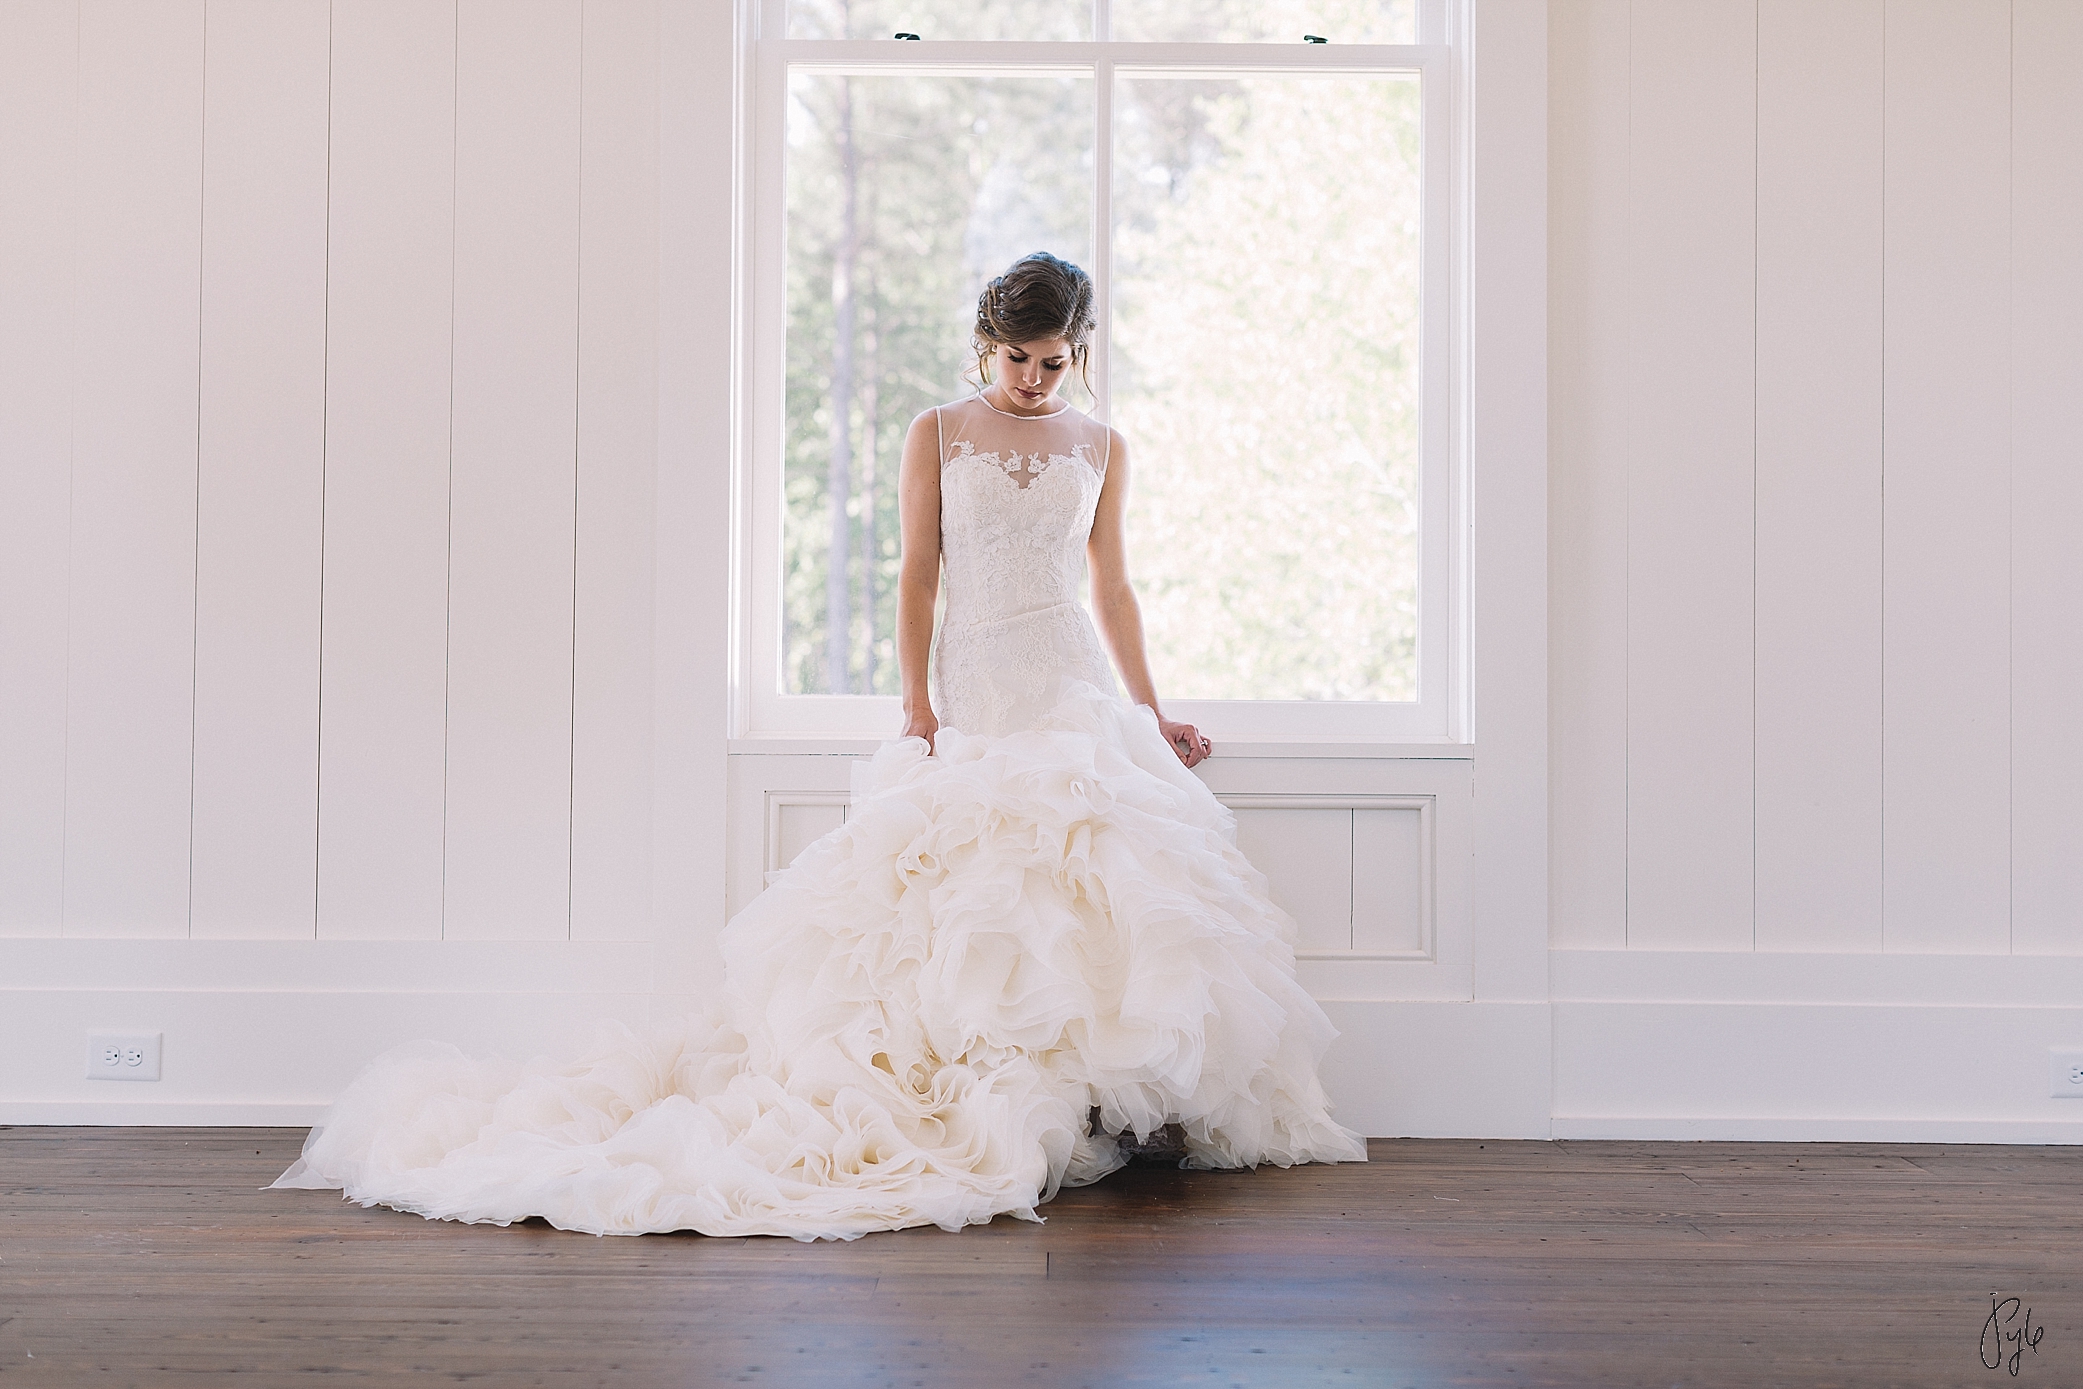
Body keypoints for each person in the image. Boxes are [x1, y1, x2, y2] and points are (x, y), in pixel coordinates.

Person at [272, 252, 1367, 1241]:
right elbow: (917, 575)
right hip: (978, 687)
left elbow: (1112, 585)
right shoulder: (938, 431)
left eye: (1055, 361)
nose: (1037, 379)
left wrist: (1150, 709)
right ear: (984, 344)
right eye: (1019, 359)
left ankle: (1094, 1111)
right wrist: (916, 706)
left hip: (1069, 680)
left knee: (1086, 894)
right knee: (967, 899)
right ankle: (977, 1102)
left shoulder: (1102, 444)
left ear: (1078, 351)